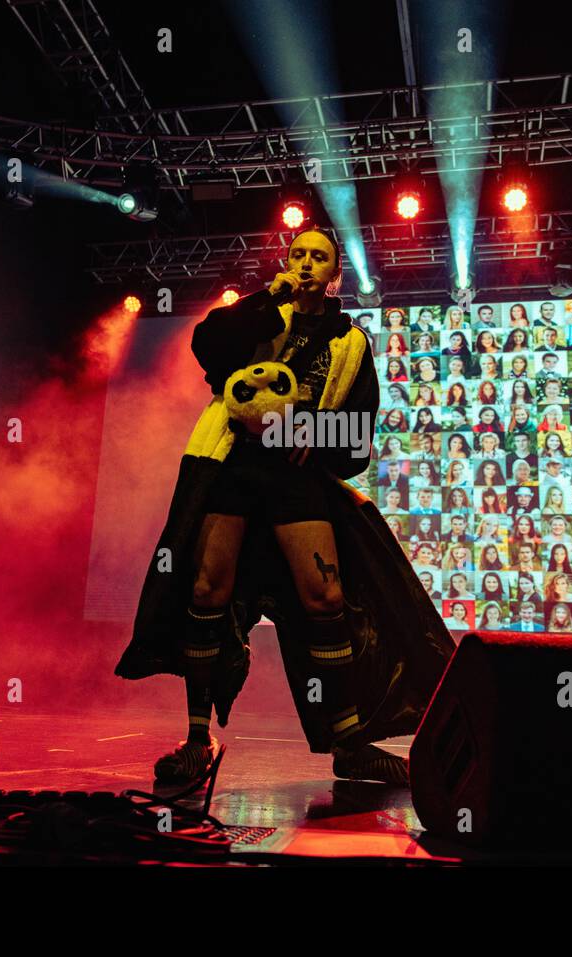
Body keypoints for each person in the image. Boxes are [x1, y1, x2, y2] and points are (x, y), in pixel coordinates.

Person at [121, 227, 453, 788]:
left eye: (317, 256)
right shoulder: (258, 315)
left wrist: (313, 429)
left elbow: (358, 436)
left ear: (333, 275)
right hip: (231, 466)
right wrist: (268, 299)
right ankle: (198, 739)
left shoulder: (348, 342)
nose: (304, 262)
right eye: (297, 253)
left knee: (325, 598)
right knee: (206, 592)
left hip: (296, 478)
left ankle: (350, 743)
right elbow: (208, 345)